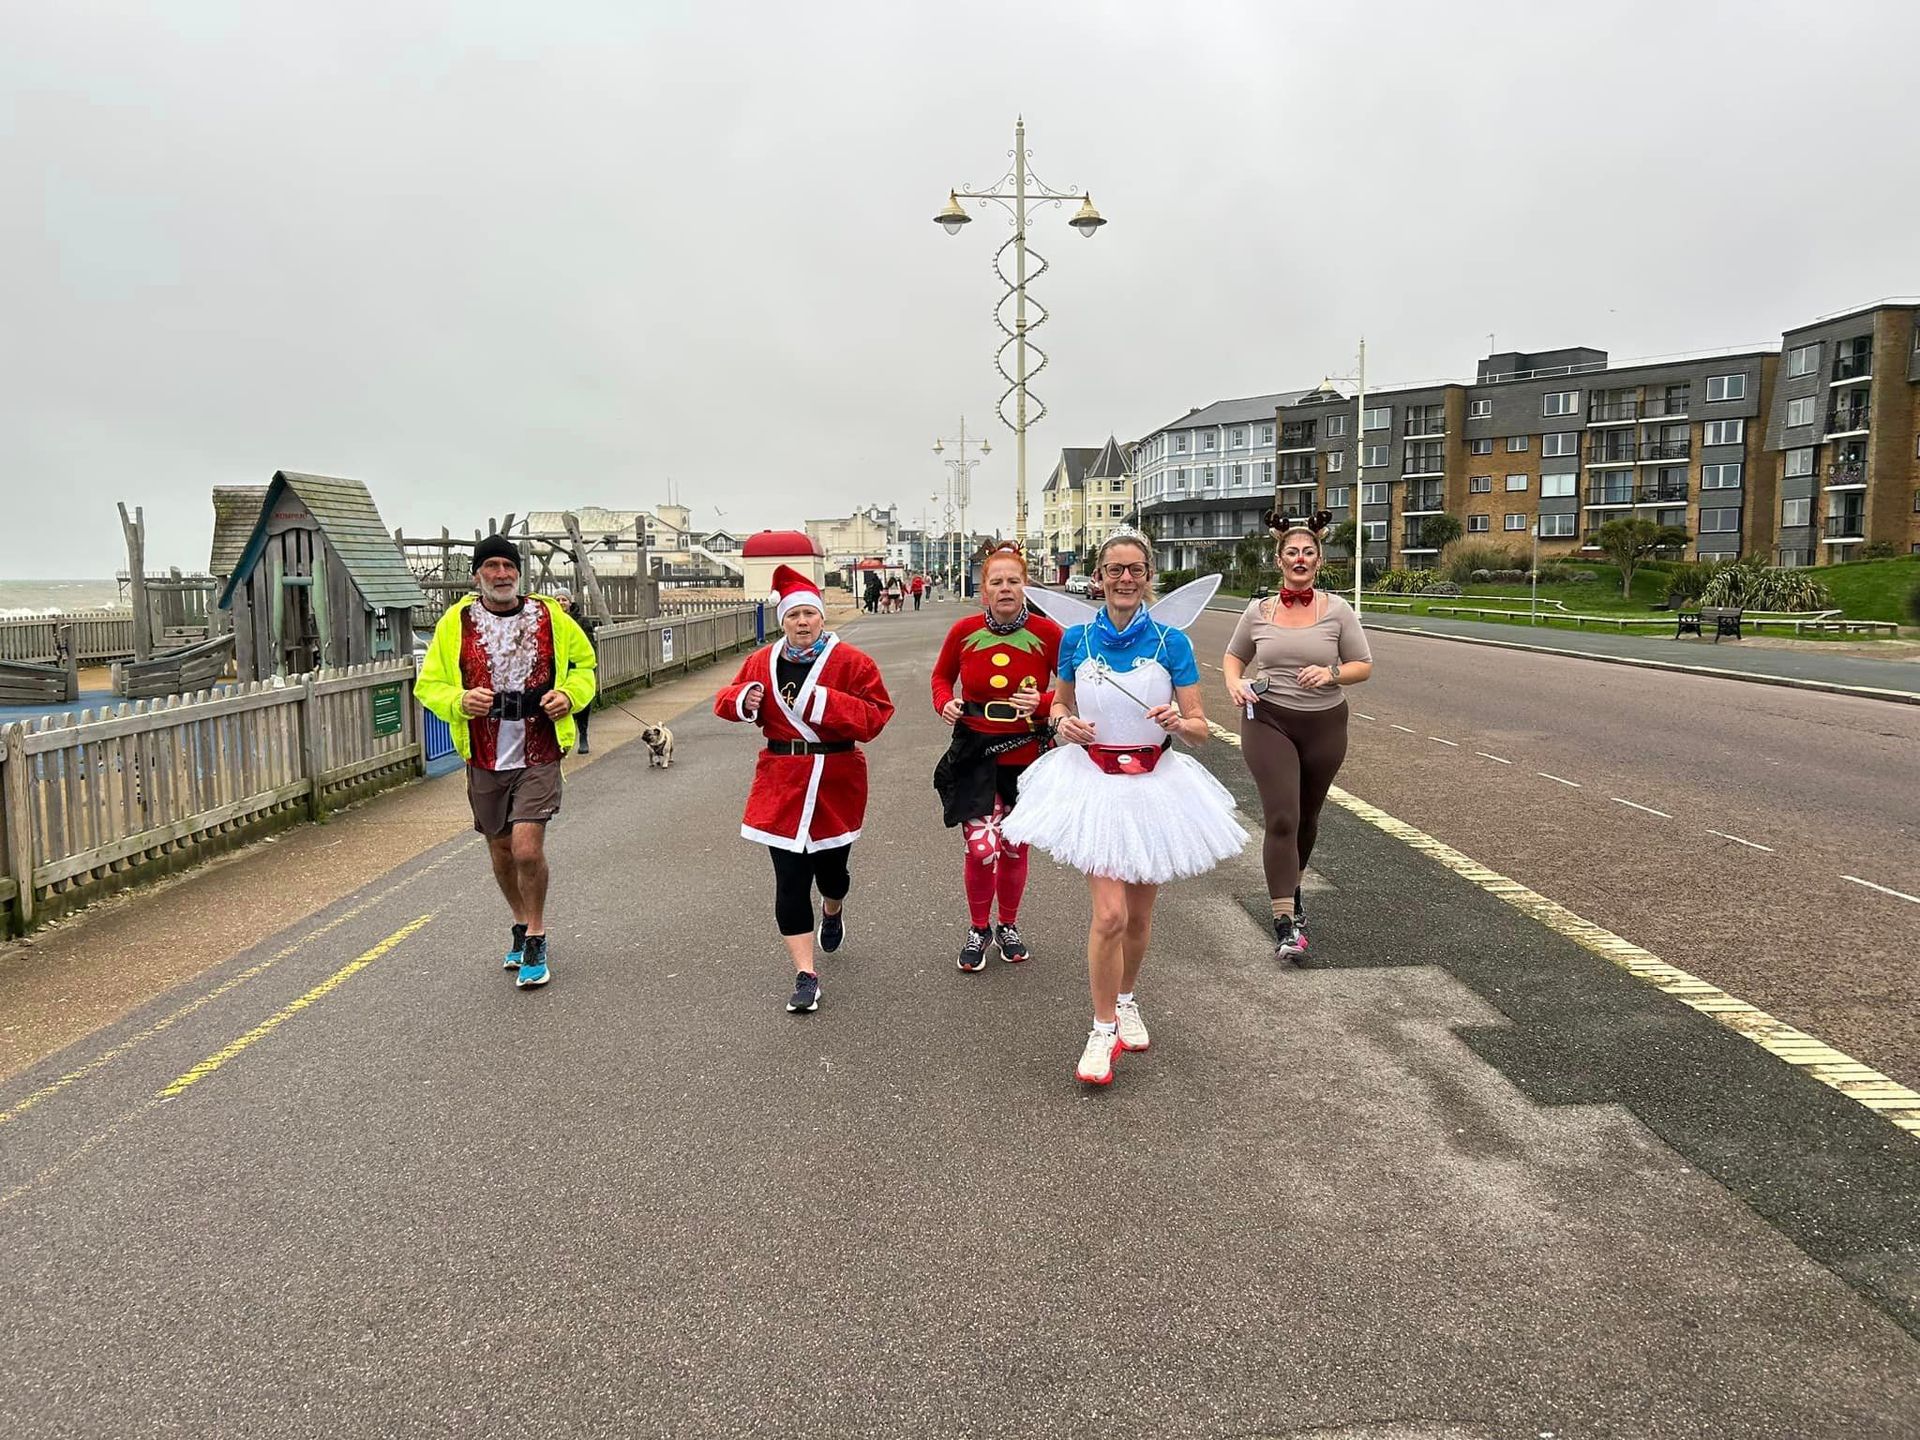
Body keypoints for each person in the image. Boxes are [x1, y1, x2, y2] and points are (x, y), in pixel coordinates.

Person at [1005, 529, 1246, 1086]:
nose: (1125, 578)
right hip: (1093, 784)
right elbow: (1058, 704)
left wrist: (1178, 722)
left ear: (1149, 577)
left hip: (1154, 787)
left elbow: (1201, 729)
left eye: (1136, 569)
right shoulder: (1076, 639)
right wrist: (1062, 723)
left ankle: (1126, 999)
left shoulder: (1172, 643)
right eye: (1114, 569)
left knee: (1137, 916)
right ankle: (1102, 1029)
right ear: (1098, 577)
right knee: (1110, 914)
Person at [415, 535, 597, 989]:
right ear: (477, 575)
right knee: (500, 851)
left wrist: (569, 695)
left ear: (518, 572)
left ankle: (536, 935)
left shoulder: (551, 617)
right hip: (484, 751)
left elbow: (585, 667)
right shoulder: (455, 624)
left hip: (540, 747)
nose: (501, 574)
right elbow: (429, 685)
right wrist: (459, 700)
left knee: (526, 849)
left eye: (508, 566)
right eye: (492, 566)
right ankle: (519, 921)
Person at [715, 565, 895, 1014]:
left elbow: (876, 716)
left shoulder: (852, 662)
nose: (801, 622)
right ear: (783, 621)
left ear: (821, 617)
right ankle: (805, 974)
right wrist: (742, 701)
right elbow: (724, 699)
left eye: (808, 614)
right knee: (790, 881)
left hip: (836, 779)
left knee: (833, 876)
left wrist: (823, 702)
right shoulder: (762, 662)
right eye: (793, 615)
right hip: (781, 780)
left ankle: (833, 910)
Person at [1222, 511, 1373, 964]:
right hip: (1268, 719)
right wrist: (1234, 682)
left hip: (1325, 724)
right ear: (1279, 560)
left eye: (1308, 552)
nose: (1300, 558)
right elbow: (1233, 657)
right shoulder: (1259, 610)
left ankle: (1295, 887)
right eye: (1292, 552)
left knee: (1307, 817)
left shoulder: (1338, 611)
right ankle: (1285, 921)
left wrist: (1331, 673)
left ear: (1319, 560)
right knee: (1283, 817)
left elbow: (1362, 666)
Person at [931, 541, 1063, 972]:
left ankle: (1007, 925)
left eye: (1013, 581)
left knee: (1014, 848)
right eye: (997, 581)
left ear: (1025, 586)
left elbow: (1074, 687)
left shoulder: (1048, 634)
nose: (1005, 588)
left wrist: (1043, 703)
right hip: (976, 752)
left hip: (1027, 756)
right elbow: (941, 677)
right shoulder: (963, 631)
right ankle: (978, 928)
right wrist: (944, 703)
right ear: (984, 589)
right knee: (981, 847)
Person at [551, 587, 599, 754]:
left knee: (581, 704)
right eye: (557, 600)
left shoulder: (582, 621)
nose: (561, 603)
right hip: (558, 671)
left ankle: (583, 735)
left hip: (576, 668)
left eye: (564, 599)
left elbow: (589, 646)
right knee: (559, 704)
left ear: (570, 602)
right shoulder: (550, 621)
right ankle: (562, 740)